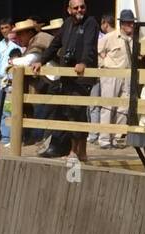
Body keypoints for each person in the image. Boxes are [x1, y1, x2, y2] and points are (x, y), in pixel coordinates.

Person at [34, 0, 99, 160]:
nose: (80, 10)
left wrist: (83, 62)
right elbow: (55, 45)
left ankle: (79, 152)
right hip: (66, 76)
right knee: (68, 112)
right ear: (69, 9)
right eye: (76, 7)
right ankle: (72, 150)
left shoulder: (91, 22)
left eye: (82, 7)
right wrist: (41, 61)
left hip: (82, 77)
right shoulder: (67, 24)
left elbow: (89, 46)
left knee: (78, 112)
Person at [96, 10, 134, 147]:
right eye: (128, 22)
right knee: (108, 106)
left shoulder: (134, 39)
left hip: (127, 75)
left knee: (123, 108)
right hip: (111, 74)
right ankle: (105, 139)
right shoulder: (110, 37)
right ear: (122, 24)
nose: (131, 25)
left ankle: (117, 138)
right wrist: (103, 67)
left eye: (132, 22)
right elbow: (98, 51)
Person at [0, 19, 21, 144]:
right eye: (2, 28)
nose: (4, 30)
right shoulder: (0, 45)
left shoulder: (17, 44)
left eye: (6, 27)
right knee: (0, 108)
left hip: (12, 80)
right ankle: (3, 135)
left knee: (9, 109)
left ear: (12, 27)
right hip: (1, 80)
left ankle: (8, 137)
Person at [88, 14, 114, 143]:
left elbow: (101, 54)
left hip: (98, 74)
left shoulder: (102, 38)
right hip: (99, 74)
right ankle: (97, 133)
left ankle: (94, 134)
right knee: (95, 105)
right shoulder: (104, 37)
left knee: (94, 105)